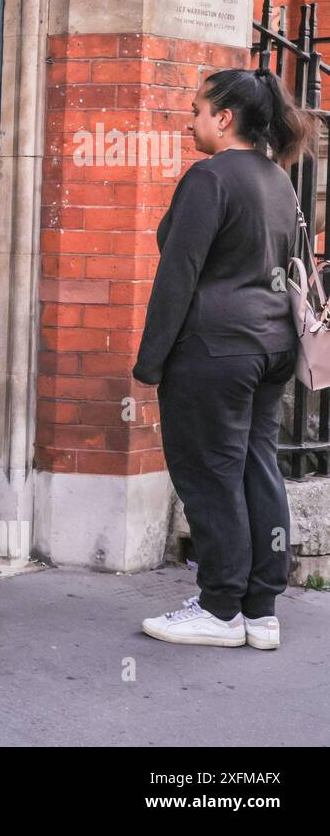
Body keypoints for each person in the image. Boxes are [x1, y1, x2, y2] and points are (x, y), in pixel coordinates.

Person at [133, 67, 315, 651]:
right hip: (271, 346)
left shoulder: (209, 177)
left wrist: (150, 362)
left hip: (214, 349)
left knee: (210, 474)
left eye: (196, 110)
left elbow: (178, 272)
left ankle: (218, 608)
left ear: (225, 117)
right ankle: (260, 609)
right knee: (256, 465)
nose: (191, 121)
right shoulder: (277, 180)